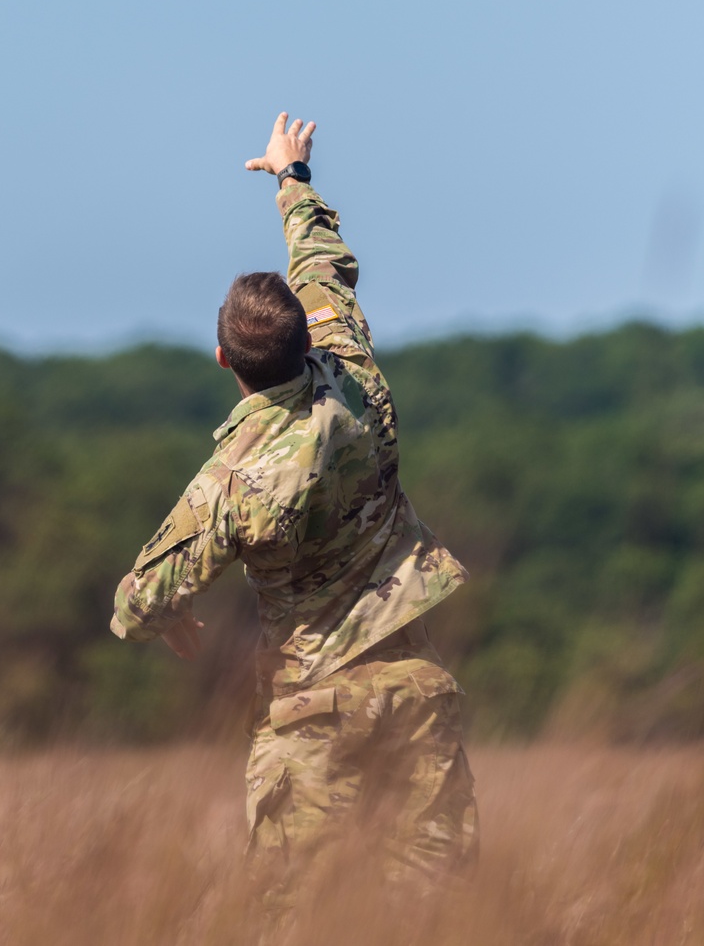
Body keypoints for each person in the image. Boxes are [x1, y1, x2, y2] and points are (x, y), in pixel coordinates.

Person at [110, 112, 478, 895]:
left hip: (311, 716)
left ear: (223, 360)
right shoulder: (353, 375)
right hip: (415, 686)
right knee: (438, 915)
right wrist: (291, 177)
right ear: (307, 340)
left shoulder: (231, 479)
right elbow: (324, 268)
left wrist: (167, 616)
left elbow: (138, 600)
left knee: (298, 918)